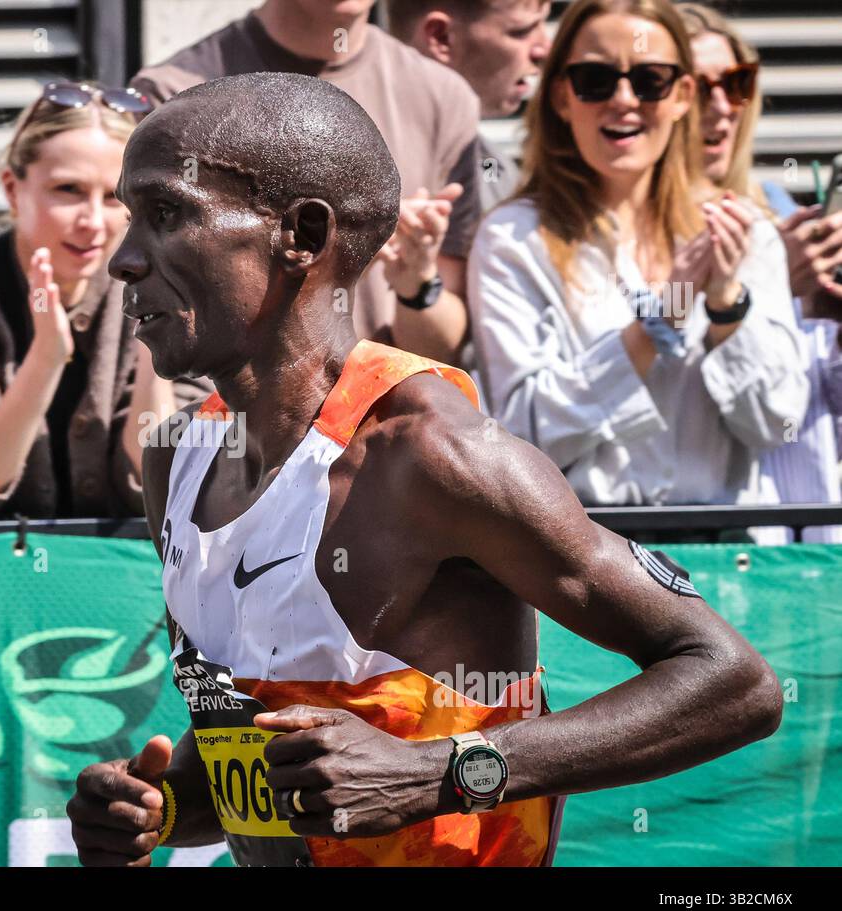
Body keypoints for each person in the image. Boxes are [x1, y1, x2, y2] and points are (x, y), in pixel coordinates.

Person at [64, 70, 782, 867]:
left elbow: (733, 682)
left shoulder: (431, 452)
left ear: (301, 234)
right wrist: (159, 808)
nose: (123, 260)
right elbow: (270, 769)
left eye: (166, 215)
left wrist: (443, 773)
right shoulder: (178, 461)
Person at [469, 0, 808, 515]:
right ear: (561, 95)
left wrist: (726, 306)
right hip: (584, 554)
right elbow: (520, 435)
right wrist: (652, 328)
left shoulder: (743, 230)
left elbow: (777, 423)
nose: (624, 100)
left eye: (650, 80)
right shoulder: (514, 239)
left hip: (731, 555)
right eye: (595, 80)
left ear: (682, 96)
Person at [0, 82, 203, 522]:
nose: (93, 223)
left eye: (114, 198)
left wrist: (152, 349)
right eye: (68, 190)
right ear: (12, 189)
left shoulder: (172, 275)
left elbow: (173, 483)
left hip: (127, 573)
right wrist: (45, 359)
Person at [130, 0, 482, 365]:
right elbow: (152, 302)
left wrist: (417, 282)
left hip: (379, 409)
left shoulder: (444, 97)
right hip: (223, 408)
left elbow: (440, 356)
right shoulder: (172, 97)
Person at [679, 2, 842, 544]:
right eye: (701, 88)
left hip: (806, 517)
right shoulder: (606, 234)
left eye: (737, 82)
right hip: (717, 531)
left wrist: (820, 307)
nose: (723, 107)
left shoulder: (776, 207)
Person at [389, 0, 553, 213]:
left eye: (543, 23)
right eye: (520, 32)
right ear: (441, 37)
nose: (545, 49)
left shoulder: (494, 167)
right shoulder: (355, 158)